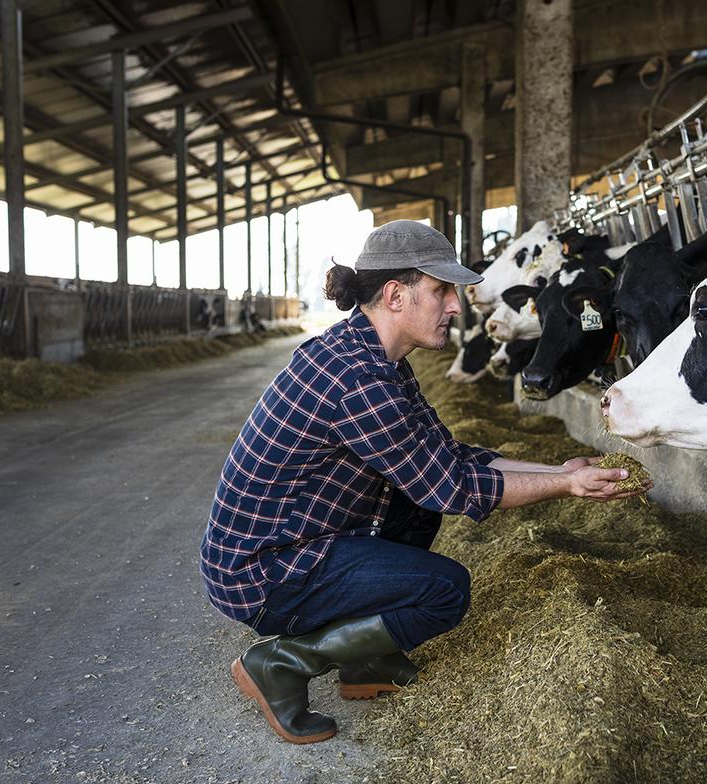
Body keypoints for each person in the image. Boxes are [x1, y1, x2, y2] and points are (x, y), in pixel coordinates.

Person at [200, 220, 651, 745]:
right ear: (395, 294)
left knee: (415, 507)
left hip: (291, 540)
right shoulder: (358, 378)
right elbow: (456, 486)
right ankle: (281, 663)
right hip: (263, 571)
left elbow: (448, 459)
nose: (457, 306)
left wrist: (562, 471)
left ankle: (365, 662)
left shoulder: (376, 356)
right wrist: (568, 489)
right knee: (444, 590)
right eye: (441, 291)